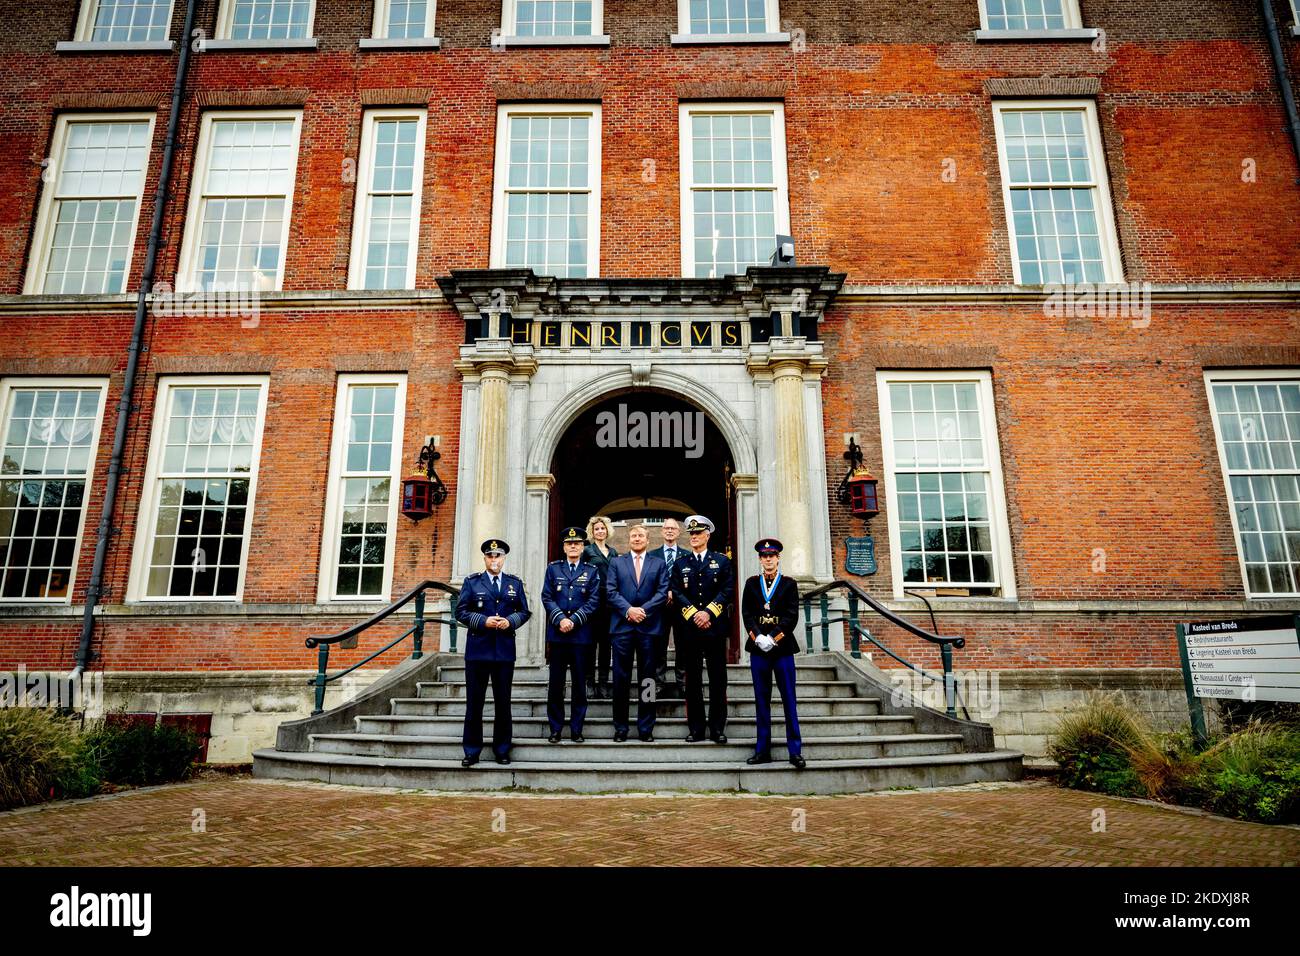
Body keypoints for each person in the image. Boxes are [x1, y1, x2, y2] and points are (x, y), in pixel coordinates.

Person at [455, 539, 531, 767]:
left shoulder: (514, 583)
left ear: (504, 558)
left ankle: (502, 749)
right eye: (490, 555)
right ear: (485, 558)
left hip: (504, 652)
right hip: (478, 651)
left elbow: (524, 611)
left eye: (498, 556)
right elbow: (461, 612)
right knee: (474, 703)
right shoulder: (472, 582)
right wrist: (483, 621)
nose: (494, 559)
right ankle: (471, 751)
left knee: (503, 703)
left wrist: (510, 622)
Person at [740, 538, 806, 769]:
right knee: (761, 701)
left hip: (783, 649)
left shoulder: (789, 584)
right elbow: (747, 613)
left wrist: (773, 637)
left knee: (789, 700)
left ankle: (795, 751)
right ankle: (762, 750)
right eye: (764, 556)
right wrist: (758, 637)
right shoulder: (751, 583)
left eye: (772, 556)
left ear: (778, 558)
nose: (768, 559)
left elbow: (791, 615)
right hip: (758, 650)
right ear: (760, 559)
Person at [670, 514, 735, 744]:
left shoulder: (722, 561)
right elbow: (676, 591)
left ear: (707, 535)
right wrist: (694, 614)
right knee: (693, 681)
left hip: (714, 628)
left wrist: (708, 612)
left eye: (698, 533)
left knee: (718, 679)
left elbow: (727, 590)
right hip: (690, 630)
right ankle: (696, 728)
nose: (694, 537)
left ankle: (717, 728)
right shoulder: (681, 563)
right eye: (692, 533)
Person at [605, 524, 670, 742]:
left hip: (649, 628)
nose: (636, 538)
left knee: (648, 680)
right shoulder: (617, 563)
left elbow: (662, 592)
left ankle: (646, 728)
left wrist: (643, 610)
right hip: (622, 628)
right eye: (633, 535)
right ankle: (620, 728)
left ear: (648, 540)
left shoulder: (658, 564)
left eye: (641, 535)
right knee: (620, 678)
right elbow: (610, 591)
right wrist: (628, 610)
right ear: (629, 539)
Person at [540, 526, 603, 743]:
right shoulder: (553, 569)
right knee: (556, 685)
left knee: (579, 685)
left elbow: (594, 600)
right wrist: (560, 619)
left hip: (580, 637)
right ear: (564, 547)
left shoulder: (591, 571)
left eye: (577, 543)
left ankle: (577, 729)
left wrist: (574, 620)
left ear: (583, 547)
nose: (573, 546)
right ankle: (555, 728)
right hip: (558, 635)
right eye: (569, 543)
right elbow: (547, 597)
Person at [648, 517, 686, 698]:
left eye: (673, 528)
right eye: (667, 528)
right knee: (658, 646)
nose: (670, 531)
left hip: (682, 608)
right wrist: (664, 593)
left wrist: (674, 592)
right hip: (659, 608)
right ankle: (658, 683)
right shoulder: (652, 555)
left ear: (678, 532)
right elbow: (649, 581)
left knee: (682, 645)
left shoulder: (686, 555)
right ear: (662, 531)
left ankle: (683, 682)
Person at [582, 515, 618, 699]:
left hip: (609, 604)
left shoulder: (613, 552)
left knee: (606, 645)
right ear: (592, 532)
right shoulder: (587, 551)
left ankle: (603, 683)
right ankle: (590, 682)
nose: (600, 531)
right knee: (590, 644)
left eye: (602, 528)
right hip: (592, 601)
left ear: (607, 530)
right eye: (597, 529)